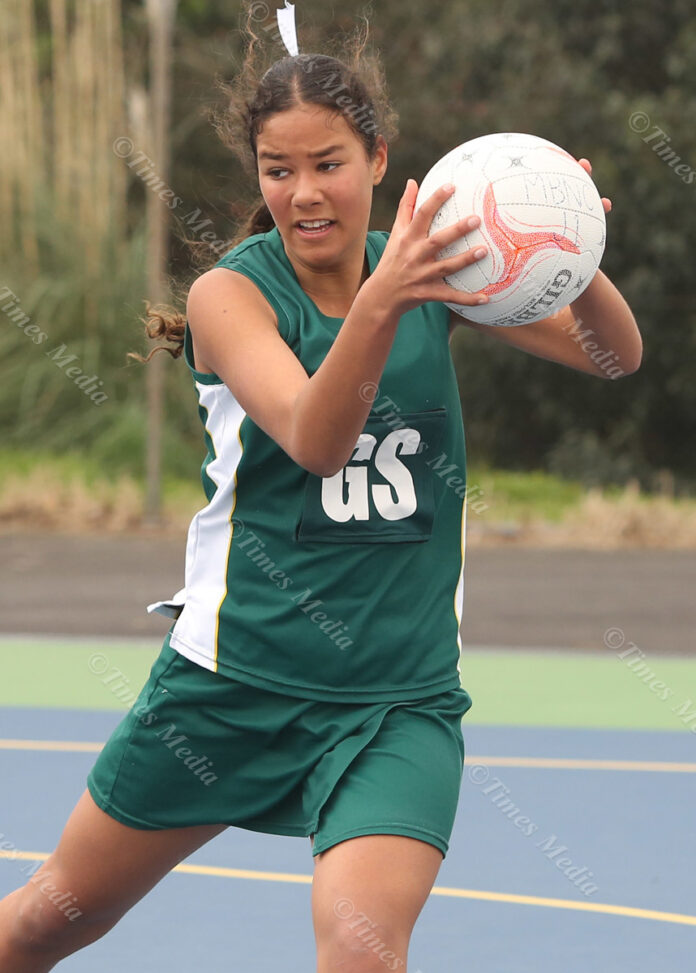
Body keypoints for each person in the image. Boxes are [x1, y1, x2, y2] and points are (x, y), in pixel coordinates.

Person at [0, 8, 642, 973]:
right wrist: (387, 299)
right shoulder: (234, 296)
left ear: (379, 159)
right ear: (258, 173)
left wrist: (570, 250)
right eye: (277, 168)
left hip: (395, 698)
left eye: (329, 164)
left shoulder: (430, 271)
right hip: (230, 686)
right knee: (51, 919)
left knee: (361, 947)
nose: (303, 192)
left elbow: (613, 355)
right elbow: (314, 439)